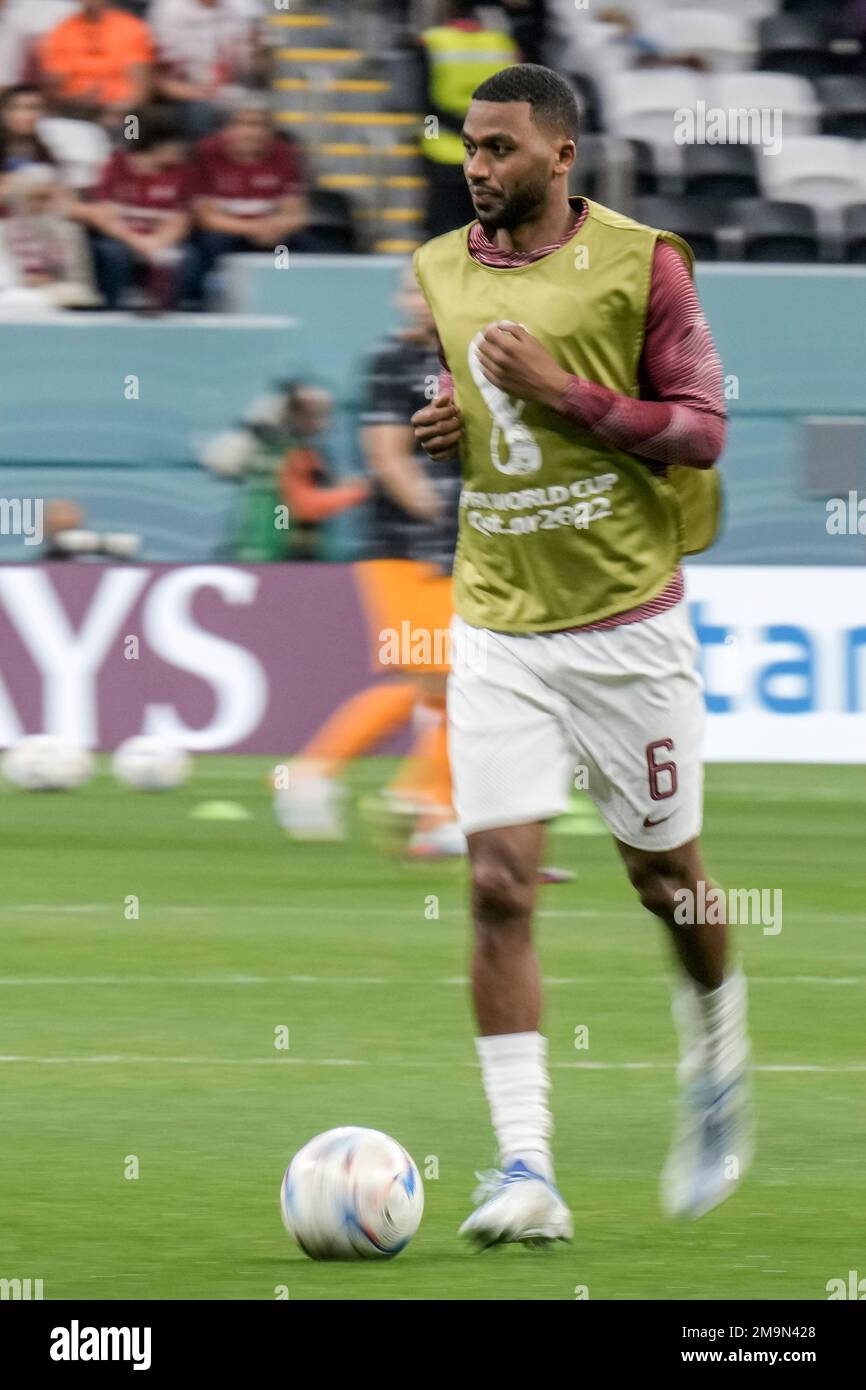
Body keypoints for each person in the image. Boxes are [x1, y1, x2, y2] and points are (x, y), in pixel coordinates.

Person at [410, 63, 751, 1246]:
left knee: (665, 882)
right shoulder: (438, 268)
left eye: (498, 146)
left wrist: (557, 392)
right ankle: (524, 1167)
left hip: (624, 629)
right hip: (497, 622)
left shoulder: (642, 263)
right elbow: (485, 406)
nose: (476, 165)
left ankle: (715, 1048)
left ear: (560, 155)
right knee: (496, 884)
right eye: (469, 145)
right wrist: (455, 423)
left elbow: (699, 430)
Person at [275, 266, 465, 858]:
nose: (418, 302)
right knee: (445, 679)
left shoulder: (469, 356)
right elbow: (386, 456)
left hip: (461, 547)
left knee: (452, 685)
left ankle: (421, 804)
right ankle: (335, 778)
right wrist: (437, 518)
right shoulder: (392, 361)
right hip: (406, 548)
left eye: (429, 291)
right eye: (410, 292)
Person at [191, 93, 317, 289]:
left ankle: (284, 287)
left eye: (260, 125)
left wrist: (277, 227)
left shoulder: (285, 154)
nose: (253, 132)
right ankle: (222, 292)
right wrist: (254, 229)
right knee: (215, 241)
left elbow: (296, 214)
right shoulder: (206, 153)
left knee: (292, 246)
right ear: (227, 128)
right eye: (244, 124)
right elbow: (206, 217)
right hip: (228, 233)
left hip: (273, 235)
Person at [418, 1, 519, 239]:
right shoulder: (501, 44)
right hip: (491, 155)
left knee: (443, 233)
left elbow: (424, 103)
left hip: (443, 150)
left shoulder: (433, 42)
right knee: (487, 232)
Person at [83, 105, 195, 310]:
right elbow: (104, 215)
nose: (182, 149)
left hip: (160, 238)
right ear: (155, 144)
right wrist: (139, 242)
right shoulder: (116, 165)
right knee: (112, 253)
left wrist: (157, 243)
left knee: (188, 257)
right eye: (174, 143)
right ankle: (113, 311)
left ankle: (170, 314)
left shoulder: (181, 172)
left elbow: (181, 219)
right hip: (123, 237)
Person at [37, 0, 154, 123]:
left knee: (131, 126)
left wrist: (118, 110)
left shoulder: (130, 27)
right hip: (74, 108)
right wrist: (78, 98)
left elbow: (141, 86)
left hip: (122, 110)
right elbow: (53, 85)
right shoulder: (64, 29)